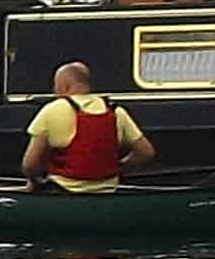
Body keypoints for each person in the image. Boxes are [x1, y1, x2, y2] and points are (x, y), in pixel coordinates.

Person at [21, 61, 153, 191]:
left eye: (55, 86)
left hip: (62, 191)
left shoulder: (52, 110)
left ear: (64, 86)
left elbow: (29, 165)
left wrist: (35, 181)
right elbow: (145, 152)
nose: (55, 92)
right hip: (108, 192)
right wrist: (119, 169)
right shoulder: (116, 111)